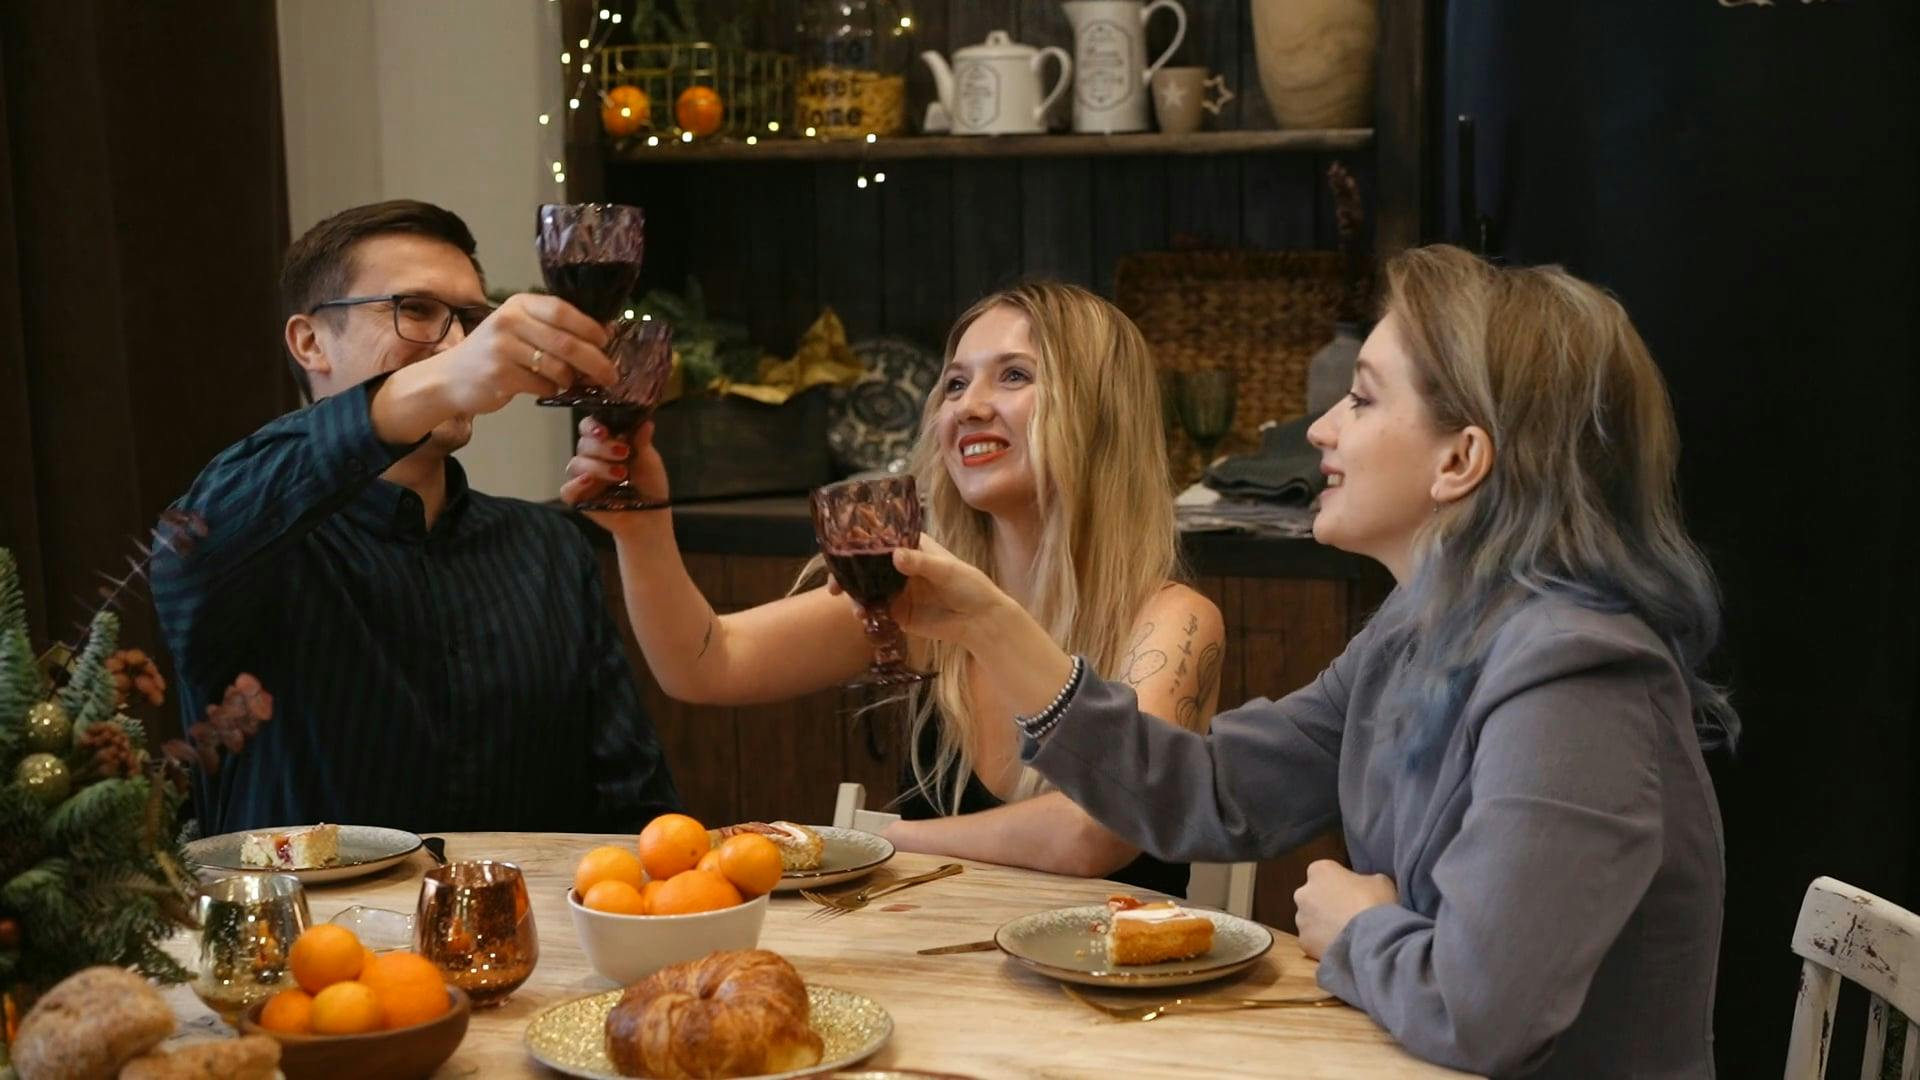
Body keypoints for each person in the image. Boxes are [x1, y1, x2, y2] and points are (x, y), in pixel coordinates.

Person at [877, 246, 1733, 1078]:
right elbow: (1207, 793)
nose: (1318, 427)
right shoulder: (1417, 632)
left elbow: (1482, 1013)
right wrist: (993, 625)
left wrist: (1355, 925)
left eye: (1359, 400)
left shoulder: (1576, 679)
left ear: (1461, 460)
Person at [566, 282, 1223, 895]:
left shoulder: (1173, 621)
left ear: (1100, 414)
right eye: (956, 383)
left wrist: (890, 840)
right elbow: (707, 663)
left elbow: (1094, 831)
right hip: (942, 982)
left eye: (1014, 376)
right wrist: (643, 531)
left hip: (1122, 1005)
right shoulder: (922, 597)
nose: (968, 406)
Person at [154, 199, 681, 835]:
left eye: (470, 319)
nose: (461, 343)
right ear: (310, 341)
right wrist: (438, 382)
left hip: (529, 930)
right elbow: (198, 532)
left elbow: (634, 807)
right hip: (310, 933)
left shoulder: (547, 549)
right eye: (418, 311)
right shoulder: (256, 548)